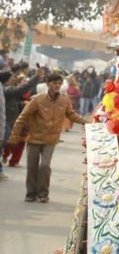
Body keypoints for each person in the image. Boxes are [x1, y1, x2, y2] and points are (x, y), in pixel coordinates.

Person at [7, 73, 88, 202]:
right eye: (54, 83)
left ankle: (43, 193)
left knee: (45, 166)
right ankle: (31, 193)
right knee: (32, 167)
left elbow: (72, 115)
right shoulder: (37, 100)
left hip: (51, 139)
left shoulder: (64, 100)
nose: (56, 86)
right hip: (34, 138)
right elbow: (22, 118)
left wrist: (88, 122)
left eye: (58, 83)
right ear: (48, 84)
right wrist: (14, 136)